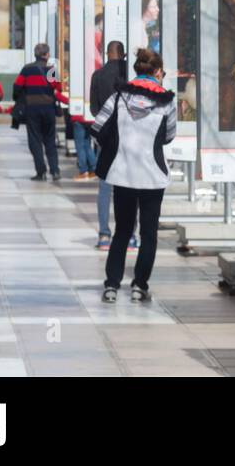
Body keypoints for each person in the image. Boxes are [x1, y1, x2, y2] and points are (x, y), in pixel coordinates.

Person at [93, 47, 177, 303]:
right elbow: (169, 135)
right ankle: (140, 285)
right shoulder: (166, 100)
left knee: (122, 230)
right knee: (149, 232)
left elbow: (97, 126)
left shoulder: (119, 96)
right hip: (152, 175)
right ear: (158, 72)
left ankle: (111, 284)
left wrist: (117, 143)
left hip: (123, 172)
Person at [90, 41, 133, 249]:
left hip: (106, 138)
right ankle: (130, 235)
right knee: (129, 186)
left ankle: (104, 235)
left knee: (105, 188)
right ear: (124, 55)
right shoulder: (129, 73)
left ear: (107, 54)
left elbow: (93, 109)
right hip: (128, 136)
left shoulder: (97, 76)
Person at [14, 42, 63, 181]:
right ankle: (55, 171)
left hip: (32, 109)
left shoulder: (27, 69)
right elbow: (57, 87)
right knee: (50, 140)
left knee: (35, 140)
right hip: (48, 109)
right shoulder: (51, 69)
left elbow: (17, 86)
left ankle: (40, 172)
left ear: (36, 54)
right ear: (46, 54)